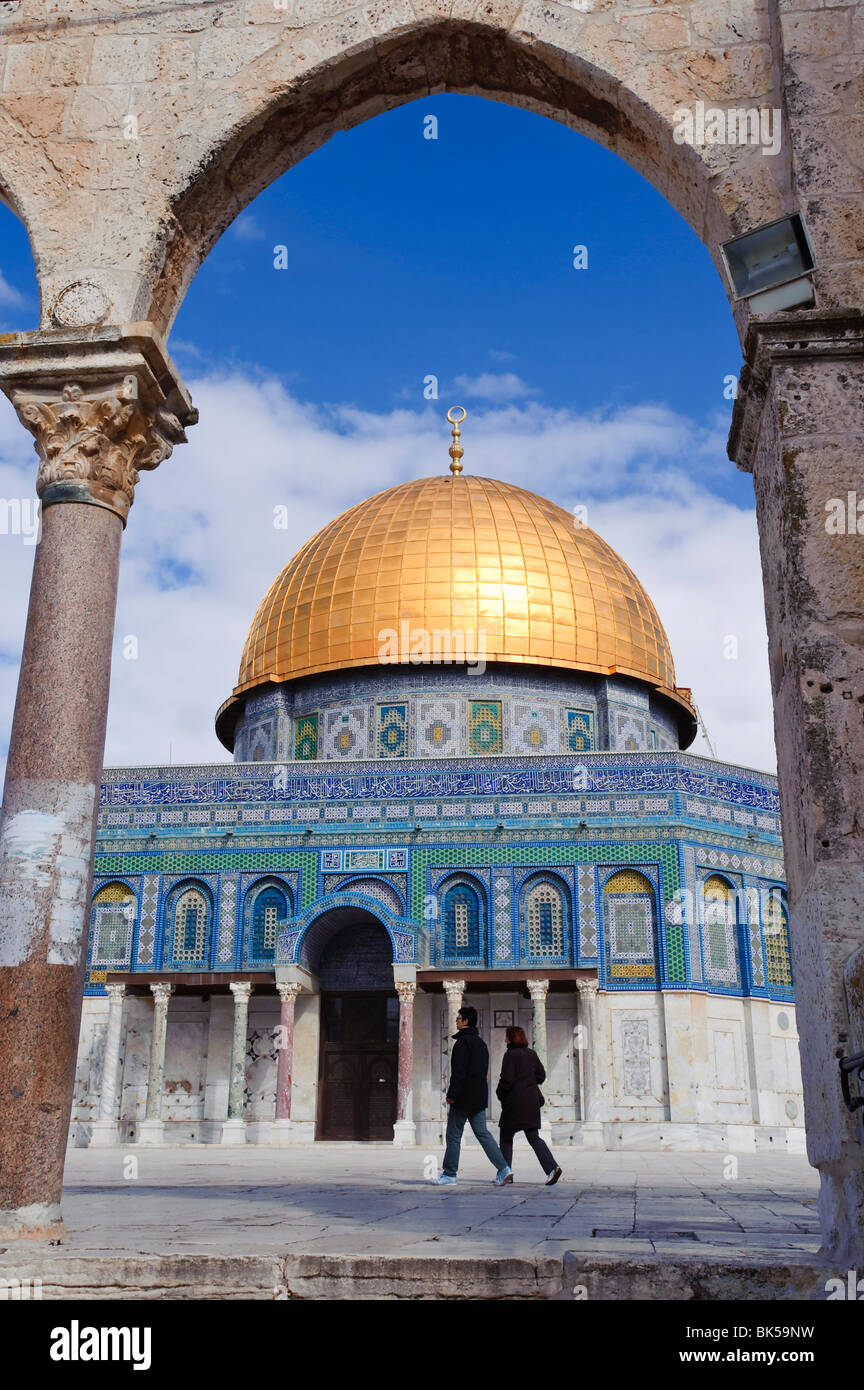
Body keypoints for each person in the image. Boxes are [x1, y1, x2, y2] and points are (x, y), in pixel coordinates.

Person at [435, 1006, 513, 1186]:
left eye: (458, 1018)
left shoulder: (462, 1044)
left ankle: (449, 1174)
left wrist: (452, 1094)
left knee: (453, 1135)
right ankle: (504, 1169)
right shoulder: (481, 1043)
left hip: (462, 1097)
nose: (456, 1020)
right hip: (478, 1097)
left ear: (465, 1022)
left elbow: (459, 1072)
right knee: (483, 1133)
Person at [496, 1025, 562, 1185]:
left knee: (505, 1138)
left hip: (514, 1104)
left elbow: (507, 1080)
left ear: (511, 1038)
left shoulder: (510, 1055)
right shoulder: (531, 1054)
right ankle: (552, 1167)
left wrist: (500, 1093)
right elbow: (541, 1076)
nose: (505, 1039)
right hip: (531, 1103)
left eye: (506, 1037)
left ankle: (505, 1172)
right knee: (533, 1137)